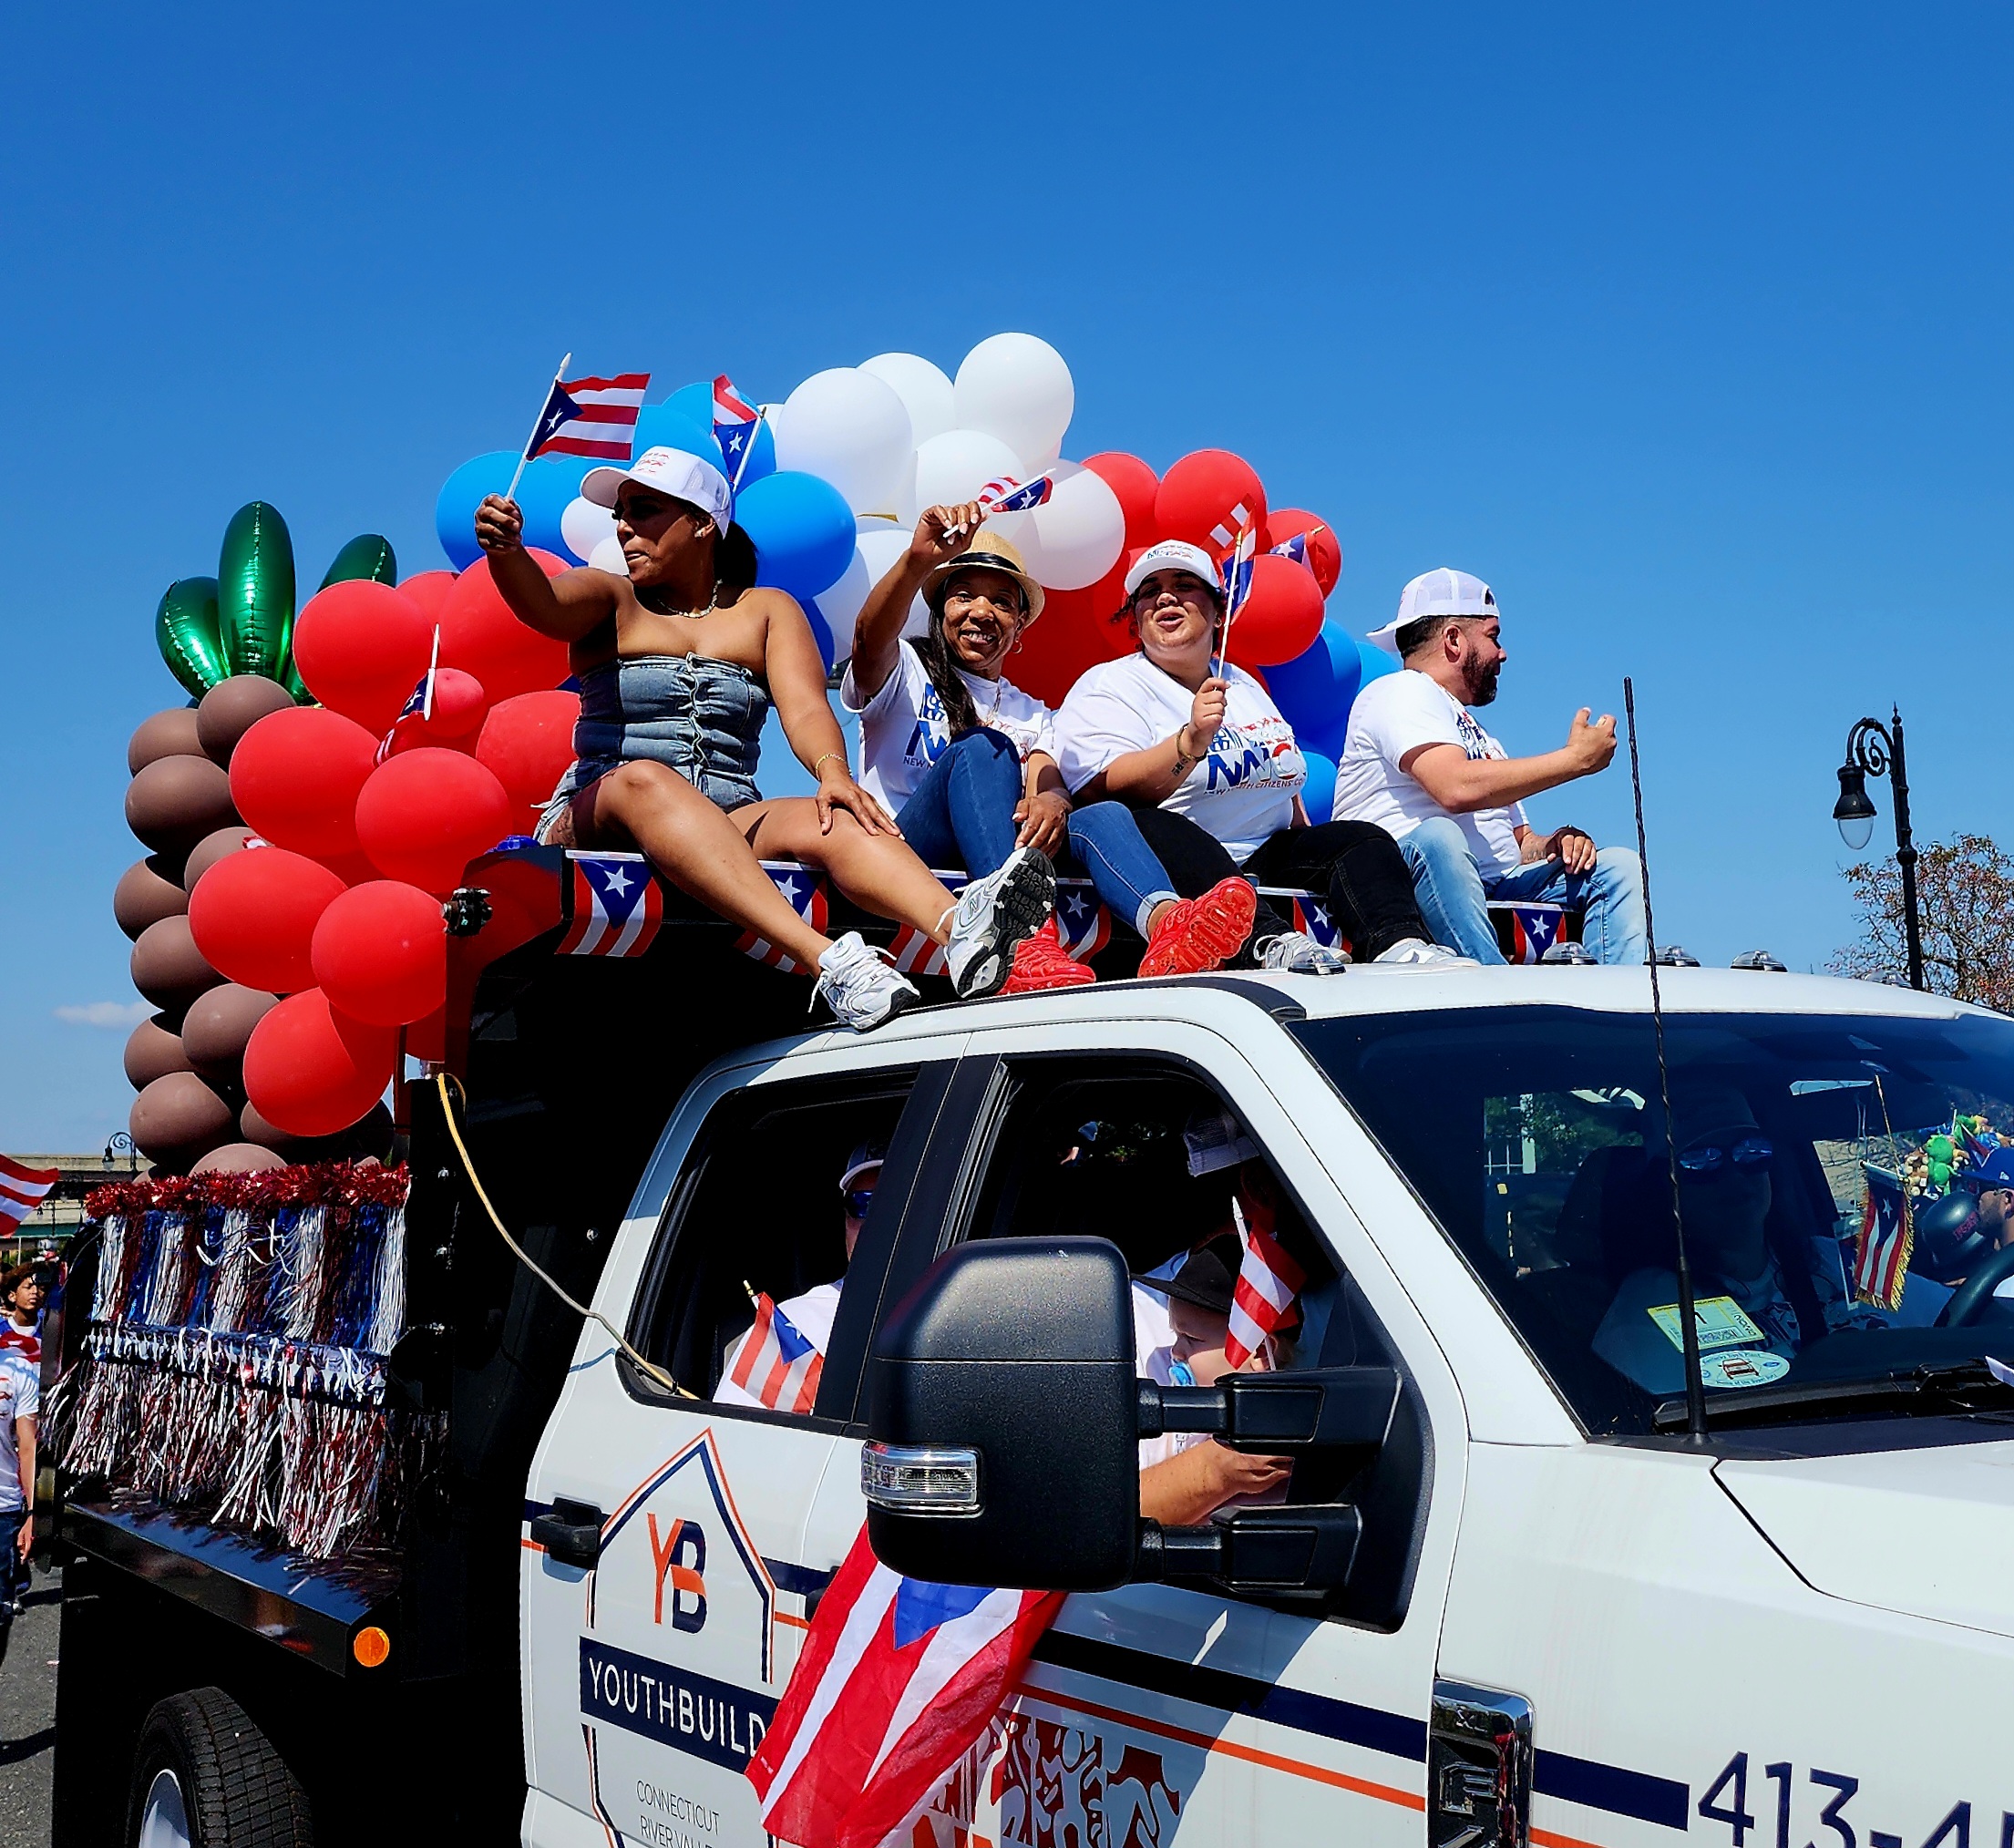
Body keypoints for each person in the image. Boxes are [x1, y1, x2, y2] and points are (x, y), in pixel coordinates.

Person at [475, 447, 1054, 1032]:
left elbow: (805, 710)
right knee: (646, 781)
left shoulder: (767, 611)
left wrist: (833, 775)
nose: (624, 526)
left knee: (837, 814)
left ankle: (962, 930)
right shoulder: (611, 597)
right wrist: (508, 554)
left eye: (643, 510)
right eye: (620, 513)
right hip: (602, 806)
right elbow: (543, 606)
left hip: (725, 818)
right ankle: (830, 963)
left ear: (702, 523)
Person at [845, 508, 1265, 985]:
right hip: (910, 855)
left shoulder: (1036, 712)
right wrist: (918, 562)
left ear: (1020, 622)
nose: (981, 612)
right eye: (964, 596)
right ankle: (1019, 942)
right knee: (984, 748)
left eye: (1001, 603)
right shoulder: (904, 668)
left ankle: (1169, 927)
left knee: (1099, 814)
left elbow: (1050, 780)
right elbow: (867, 637)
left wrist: (1052, 801)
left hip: (1007, 857)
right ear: (941, 609)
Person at [1054, 540, 1466, 971]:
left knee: (1358, 838)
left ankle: (1399, 946)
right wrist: (1187, 742)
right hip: (1180, 858)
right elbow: (1102, 788)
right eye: (1149, 590)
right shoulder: (1109, 685)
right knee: (1156, 823)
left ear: (1217, 611)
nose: (1166, 597)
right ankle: (1269, 942)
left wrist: (1312, 840)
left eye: (1184, 584)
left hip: (1264, 856)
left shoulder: (1243, 685)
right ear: (1135, 618)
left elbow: (1285, 782)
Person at [1333, 569, 1647, 966]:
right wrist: (1574, 760)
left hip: (1494, 884)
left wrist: (1553, 844)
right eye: (1493, 636)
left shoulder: (1475, 731)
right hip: (1403, 879)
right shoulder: (1402, 691)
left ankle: (1619, 1009)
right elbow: (1454, 789)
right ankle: (1496, 991)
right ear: (1453, 639)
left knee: (1616, 868)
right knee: (1440, 838)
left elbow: (1518, 841)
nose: (1503, 653)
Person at [715, 1141, 882, 1407]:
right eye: (861, 1204)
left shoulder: (962, 1310)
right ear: (844, 1217)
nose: (877, 1220)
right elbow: (732, 1442)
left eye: (893, 1203)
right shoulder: (793, 1327)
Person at [1135, 1242, 1291, 1524]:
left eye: (1191, 1339)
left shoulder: (1289, 1424)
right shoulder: (1185, 1417)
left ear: (1258, 1352)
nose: (1175, 1352)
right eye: (1175, 1335)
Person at [0, 1345, 34, 1655]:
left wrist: (32, 1511)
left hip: (4, 1501)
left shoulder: (16, 1370)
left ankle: (13, 1590)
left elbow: (27, 1445)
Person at [0, 1263, 42, 1367]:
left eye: (41, 1288)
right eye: (28, 1287)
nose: (35, 1292)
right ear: (12, 1296)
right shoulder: (1, 1331)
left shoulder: (53, 1333)